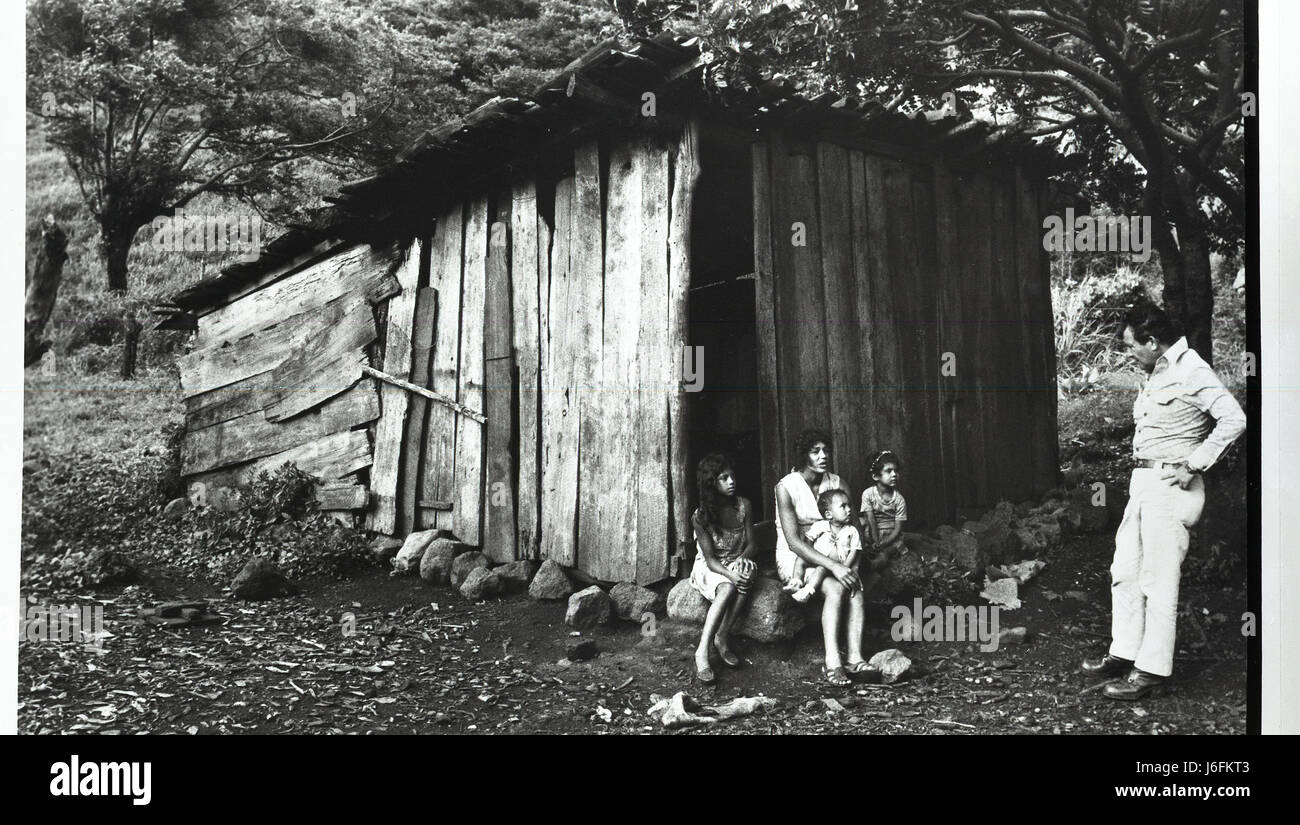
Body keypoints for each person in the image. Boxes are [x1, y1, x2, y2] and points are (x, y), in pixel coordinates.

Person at [1080, 304, 1246, 700]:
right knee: (1125, 570)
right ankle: (1125, 651)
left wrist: (1194, 463)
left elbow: (1234, 419)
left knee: (1159, 580)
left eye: (1131, 346)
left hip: (1172, 486)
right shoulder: (1156, 372)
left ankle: (1151, 670)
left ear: (1152, 342)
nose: (1129, 353)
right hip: (1144, 483)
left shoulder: (1192, 369)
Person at [774, 428, 869, 686]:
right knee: (835, 589)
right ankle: (832, 663)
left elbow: (856, 533)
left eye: (825, 450)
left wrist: (851, 568)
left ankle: (856, 658)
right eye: (815, 451)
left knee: (855, 589)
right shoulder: (786, 487)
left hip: (838, 554)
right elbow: (794, 542)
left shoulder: (837, 483)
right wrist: (834, 568)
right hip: (799, 557)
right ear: (804, 455)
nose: (823, 455)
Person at [689, 453, 757, 685]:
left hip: (737, 559)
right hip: (712, 566)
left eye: (732, 477)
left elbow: (752, 544)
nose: (731, 482)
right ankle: (702, 651)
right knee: (728, 587)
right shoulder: (701, 517)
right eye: (723, 478)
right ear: (711, 483)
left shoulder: (743, 505)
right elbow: (710, 560)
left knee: (746, 576)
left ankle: (722, 636)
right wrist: (730, 573)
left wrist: (741, 561)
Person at [788, 489, 862, 603]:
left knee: (822, 568)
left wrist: (845, 567)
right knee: (800, 559)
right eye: (843, 506)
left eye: (849, 506)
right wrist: (810, 557)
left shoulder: (852, 531)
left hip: (836, 565)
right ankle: (796, 581)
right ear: (828, 514)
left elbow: (854, 551)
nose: (849, 509)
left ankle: (808, 591)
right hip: (818, 559)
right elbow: (808, 542)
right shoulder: (820, 526)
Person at [861, 450, 907, 560]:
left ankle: (882, 558)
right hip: (873, 531)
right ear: (876, 476)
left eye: (896, 471)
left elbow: (898, 528)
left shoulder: (899, 499)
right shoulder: (868, 494)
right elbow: (871, 520)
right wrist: (876, 541)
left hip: (892, 535)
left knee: (890, 550)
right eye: (889, 471)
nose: (894, 474)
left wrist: (884, 543)